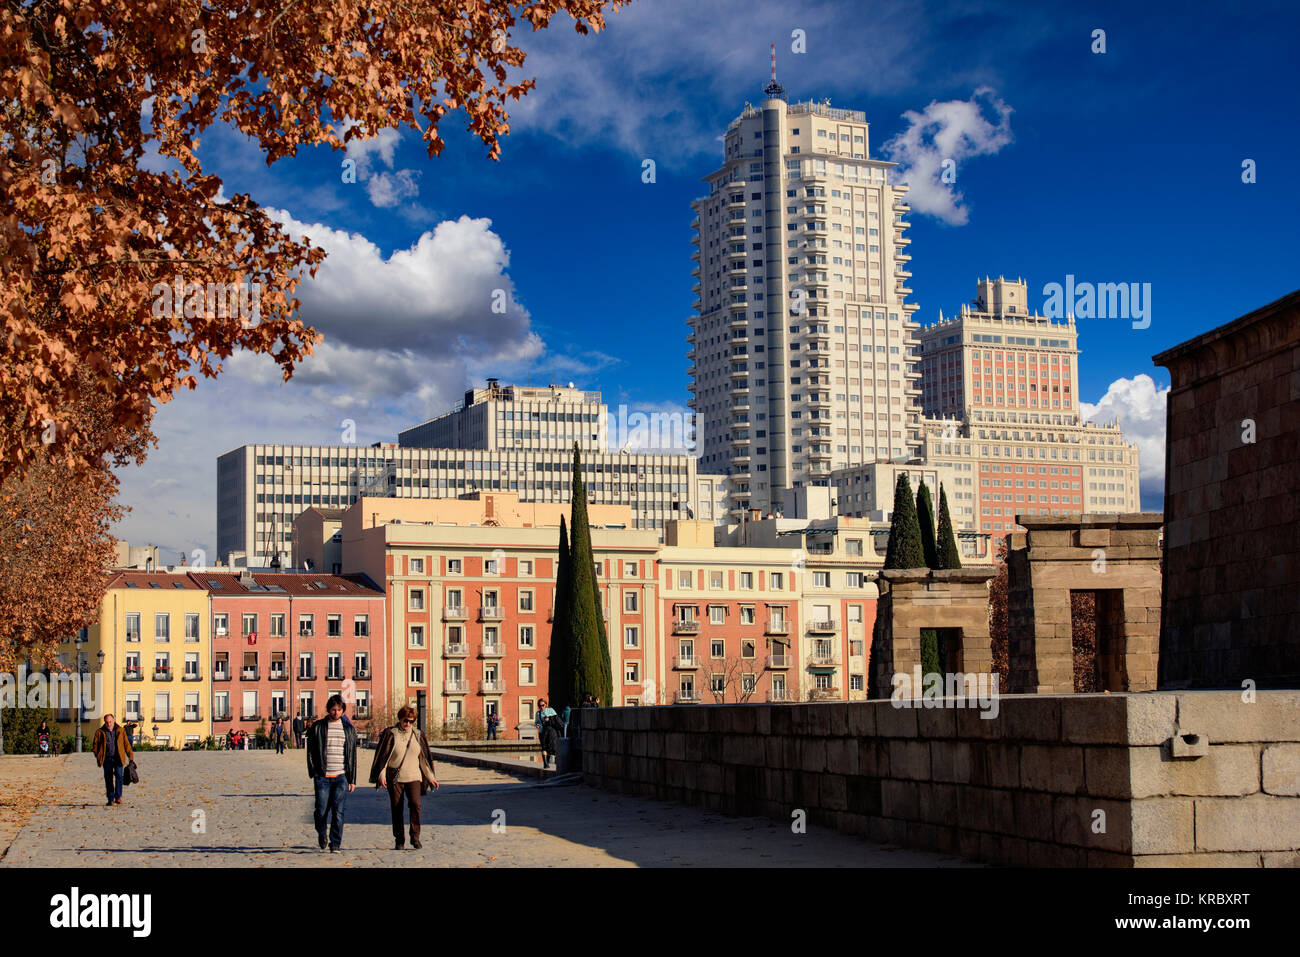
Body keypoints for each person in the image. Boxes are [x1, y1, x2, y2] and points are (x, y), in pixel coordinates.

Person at [370, 706, 438, 850]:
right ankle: (399, 839)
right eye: (405, 720)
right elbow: (384, 757)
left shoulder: (418, 735)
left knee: (415, 805)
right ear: (400, 719)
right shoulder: (391, 734)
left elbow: (423, 759)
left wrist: (431, 777)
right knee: (397, 808)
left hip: (414, 776)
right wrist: (381, 775)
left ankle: (415, 837)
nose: (408, 724)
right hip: (395, 777)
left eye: (411, 721)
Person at [306, 695, 357, 853]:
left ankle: (335, 843)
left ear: (343, 711)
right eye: (333, 709)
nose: (336, 712)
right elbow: (310, 752)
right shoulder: (318, 727)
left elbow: (352, 756)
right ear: (329, 709)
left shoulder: (348, 729)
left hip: (341, 776)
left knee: (338, 811)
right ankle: (322, 833)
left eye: (339, 710)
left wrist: (352, 779)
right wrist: (314, 771)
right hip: (323, 776)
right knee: (321, 810)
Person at [91, 714, 134, 806]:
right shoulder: (100, 732)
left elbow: (126, 744)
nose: (109, 724)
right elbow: (95, 745)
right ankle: (110, 798)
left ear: (113, 721)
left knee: (119, 776)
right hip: (107, 758)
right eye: (107, 722)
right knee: (108, 778)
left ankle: (118, 797)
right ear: (104, 722)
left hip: (118, 757)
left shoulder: (120, 730)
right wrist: (98, 755)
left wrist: (131, 757)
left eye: (110, 722)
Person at [535, 698, 558, 769]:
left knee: (551, 746)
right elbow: (536, 721)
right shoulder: (538, 713)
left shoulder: (551, 710)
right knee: (544, 747)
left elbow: (556, 719)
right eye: (540, 706)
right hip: (542, 732)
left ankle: (549, 761)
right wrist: (537, 724)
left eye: (543, 705)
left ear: (546, 704)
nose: (541, 707)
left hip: (551, 731)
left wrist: (549, 718)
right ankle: (545, 763)